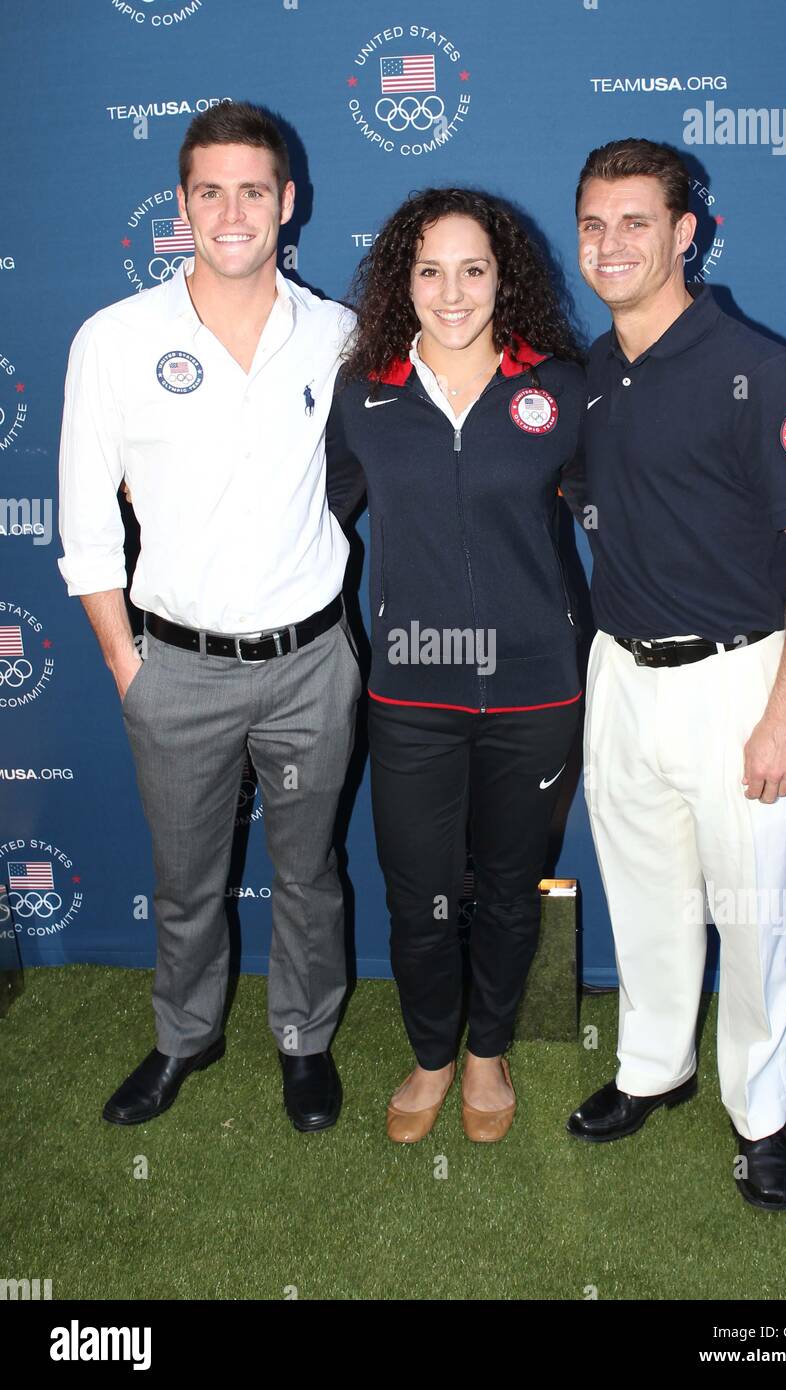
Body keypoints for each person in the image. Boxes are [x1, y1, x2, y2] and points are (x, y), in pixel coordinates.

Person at [57, 102, 361, 1132]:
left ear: (288, 202)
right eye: (209, 191)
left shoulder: (337, 336)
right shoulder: (114, 339)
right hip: (174, 669)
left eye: (253, 190)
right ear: (182, 206)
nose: (232, 210)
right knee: (184, 881)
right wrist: (123, 663)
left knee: (307, 872)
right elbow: (85, 516)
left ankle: (304, 1038)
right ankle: (185, 1034)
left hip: (313, 661)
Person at [566, 139, 786, 1209]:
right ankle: (653, 1067)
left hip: (739, 680)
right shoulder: (587, 375)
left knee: (750, 914)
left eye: (635, 222)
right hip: (620, 672)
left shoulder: (760, 371)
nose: (610, 243)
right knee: (641, 898)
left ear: (686, 233)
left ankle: (759, 1114)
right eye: (593, 222)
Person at [326, 189, 586, 1143]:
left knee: (511, 888)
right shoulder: (366, 394)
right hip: (413, 690)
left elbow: (627, 511)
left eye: (472, 269)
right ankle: (434, 1053)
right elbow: (303, 513)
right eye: (429, 269)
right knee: (420, 892)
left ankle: (490, 1054)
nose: (452, 290)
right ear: (404, 280)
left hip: (536, 689)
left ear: (502, 277)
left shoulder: (558, 386)